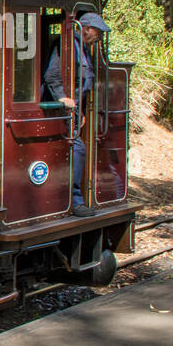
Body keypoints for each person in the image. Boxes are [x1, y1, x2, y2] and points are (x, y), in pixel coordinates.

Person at [44, 12, 110, 217]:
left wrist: (80, 110)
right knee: (77, 149)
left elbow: (81, 83)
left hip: (71, 112)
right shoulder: (66, 46)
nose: (99, 37)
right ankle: (74, 200)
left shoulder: (84, 50)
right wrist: (62, 98)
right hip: (57, 111)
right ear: (86, 28)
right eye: (97, 32)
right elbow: (52, 75)